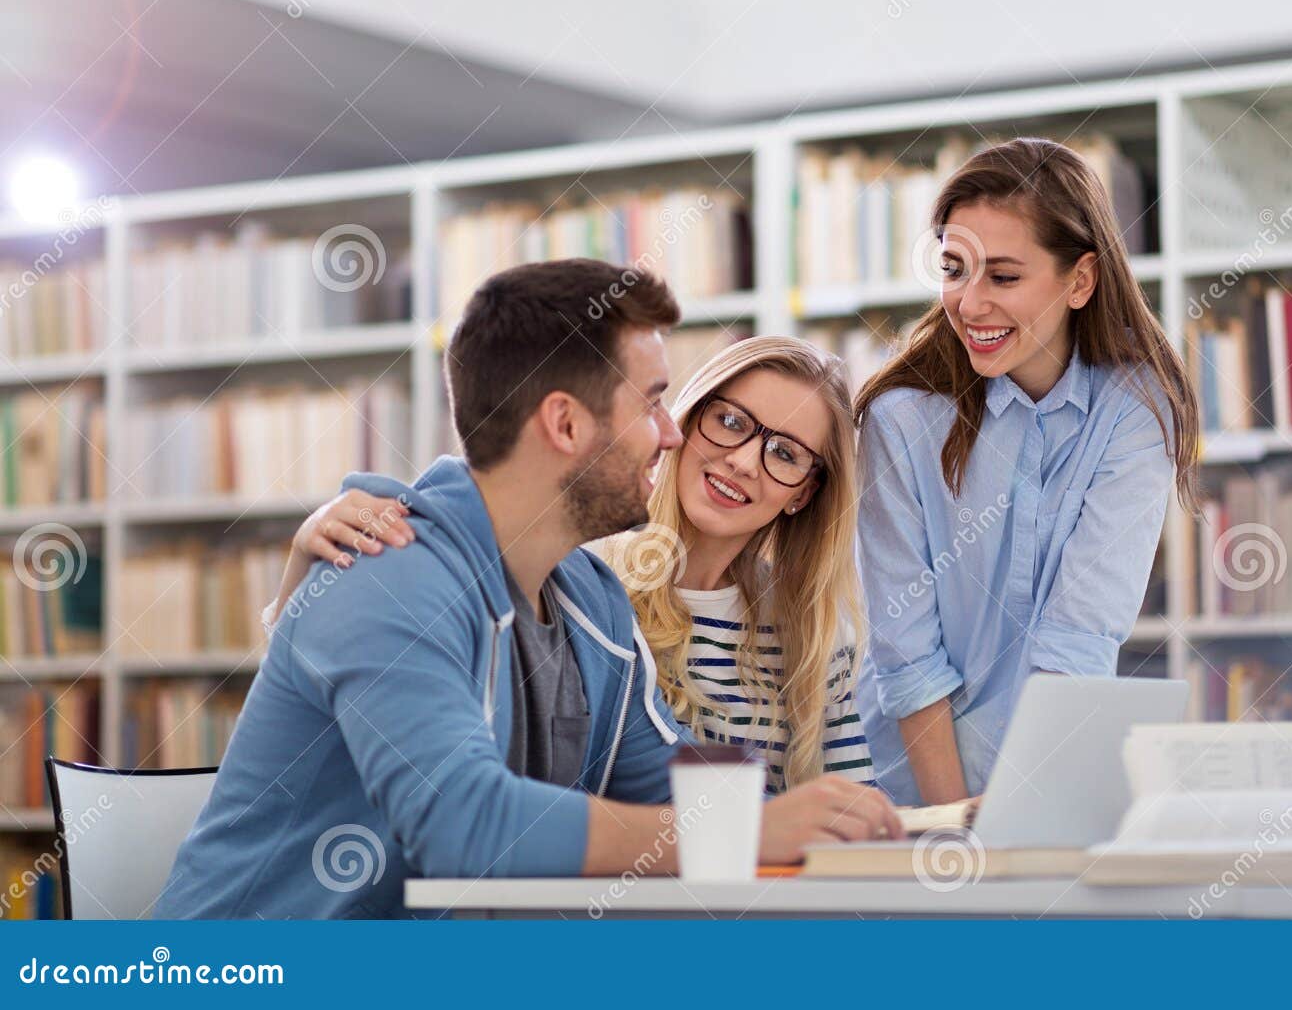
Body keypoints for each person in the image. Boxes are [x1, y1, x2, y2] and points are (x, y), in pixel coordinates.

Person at [156, 259, 899, 919]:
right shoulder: (388, 570)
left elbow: (673, 784)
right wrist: (749, 830)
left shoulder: (594, 604)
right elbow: (466, 824)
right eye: (651, 403)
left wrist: (838, 831)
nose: (672, 435)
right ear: (566, 424)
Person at [275, 336, 874, 796]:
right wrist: (306, 562)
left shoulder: (816, 631)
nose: (744, 461)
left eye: (785, 454)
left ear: (805, 492)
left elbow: (851, 813)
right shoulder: (577, 584)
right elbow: (352, 690)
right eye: (731, 422)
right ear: (685, 422)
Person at [852, 137, 1201, 805]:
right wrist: (960, 827)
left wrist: (1023, 814)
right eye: (955, 269)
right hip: (907, 796)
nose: (969, 303)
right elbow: (907, 652)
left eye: (1003, 277)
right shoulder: (900, 420)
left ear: (1080, 280)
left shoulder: (1134, 412)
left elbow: (1081, 632)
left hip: (1046, 783)